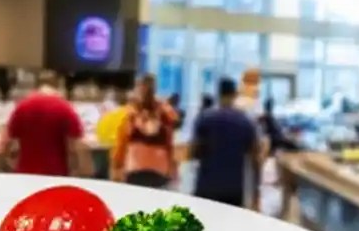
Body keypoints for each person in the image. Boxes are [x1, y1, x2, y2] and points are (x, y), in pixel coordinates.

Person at [190, 77, 262, 209]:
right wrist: (256, 193)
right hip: (233, 190)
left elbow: (193, 152)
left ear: (219, 94)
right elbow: (255, 160)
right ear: (235, 94)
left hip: (206, 188)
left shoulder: (205, 118)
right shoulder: (246, 121)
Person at [0, 75, 87, 176]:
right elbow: (77, 145)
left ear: (35, 87)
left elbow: (5, 143)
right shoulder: (65, 108)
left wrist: (3, 165)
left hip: (26, 172)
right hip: (56, 172)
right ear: (58, 87)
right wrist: (83, 171)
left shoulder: (22, 106)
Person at [112, 74, 177, 188]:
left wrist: (117, 166)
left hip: (135, 167)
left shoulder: (131, 114)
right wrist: (173, 168)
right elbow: (169, 143)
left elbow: (122, 143)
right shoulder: (164, 113)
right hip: (159, 168)